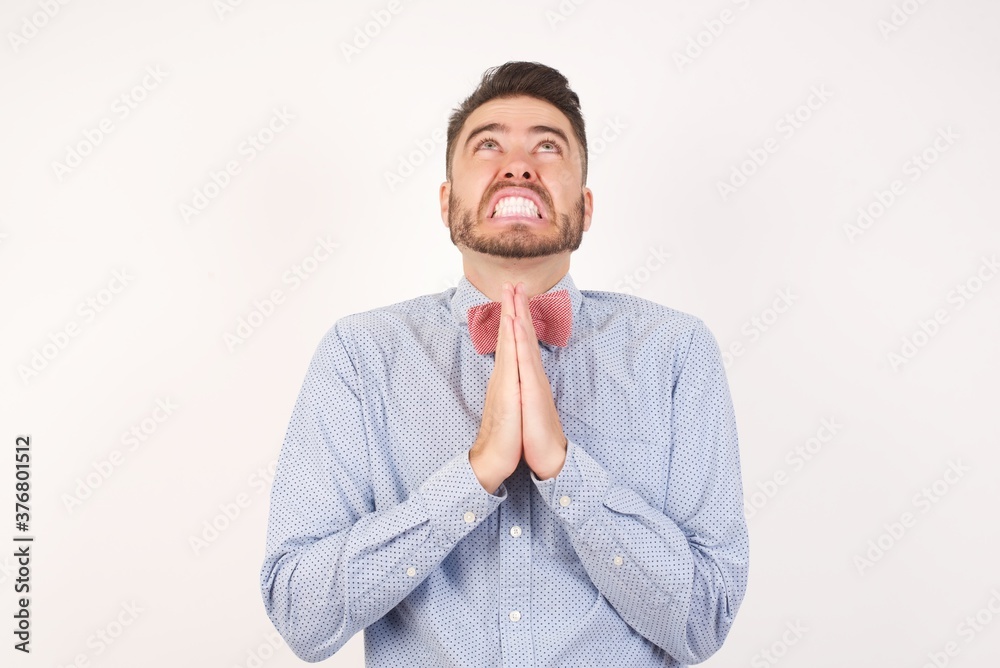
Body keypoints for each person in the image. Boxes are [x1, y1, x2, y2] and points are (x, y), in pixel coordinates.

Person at [259, 61, 749, 667]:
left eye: (548, 146)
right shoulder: (360, 356)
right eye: (487, 144)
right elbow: (302, 618)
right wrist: (475, 474)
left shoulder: (676, 352)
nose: (518, 165)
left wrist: (564, 471)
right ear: (446, 202)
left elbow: (705, 620)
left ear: (586, 208)